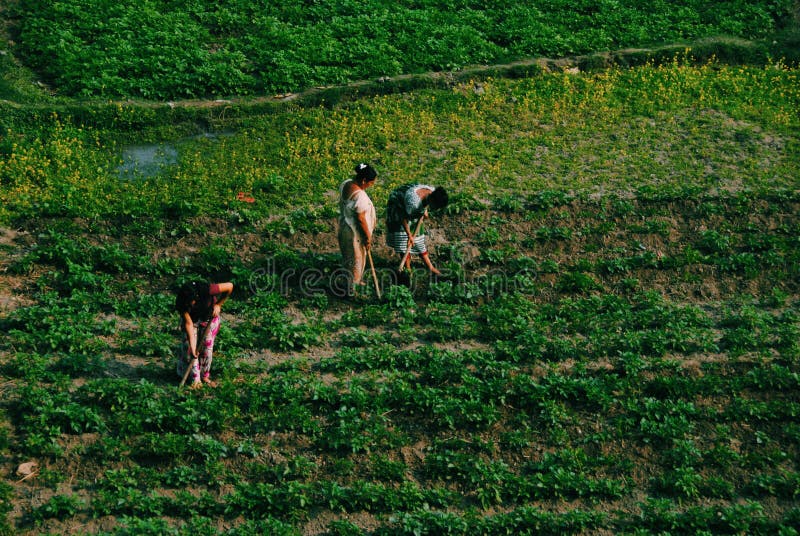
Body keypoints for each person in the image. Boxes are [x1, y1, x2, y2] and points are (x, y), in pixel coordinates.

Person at [175, 280, 233, 388]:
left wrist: (218, 305)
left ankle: (204, 376)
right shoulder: (181, 302)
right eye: (187, 303)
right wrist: (193, 348)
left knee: (206, 347)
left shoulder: (207, 289)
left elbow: (230, 286)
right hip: (192, 322)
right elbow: (189, 324)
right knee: (189, 349)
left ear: (196, 296)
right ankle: (195, 380)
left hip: (209, 317)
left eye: (191, 302)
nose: (190, 305)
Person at [386, 183, 449, 275]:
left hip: (410, 207)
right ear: (432, 200)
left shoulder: (433, 192)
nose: (435, 209)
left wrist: (425, 210)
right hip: (398, 207)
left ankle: (430, 267)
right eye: (435, 207)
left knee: (418, 240)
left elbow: (425, 203)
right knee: (404, 240)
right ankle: (407, 269)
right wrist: (409, 235)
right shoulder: (414, 204)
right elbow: (403, 218)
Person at [337, 163, 378, 296]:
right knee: (356, 259)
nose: (371, 186)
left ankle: (352, 282)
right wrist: (367, 237)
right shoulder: (360, 196)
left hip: (344, 227)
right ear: (363, 180)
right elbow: (360, 219)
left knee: (349, 258)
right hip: (355, 232)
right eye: (370, 183)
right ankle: (352, 290)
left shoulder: (347, 183)